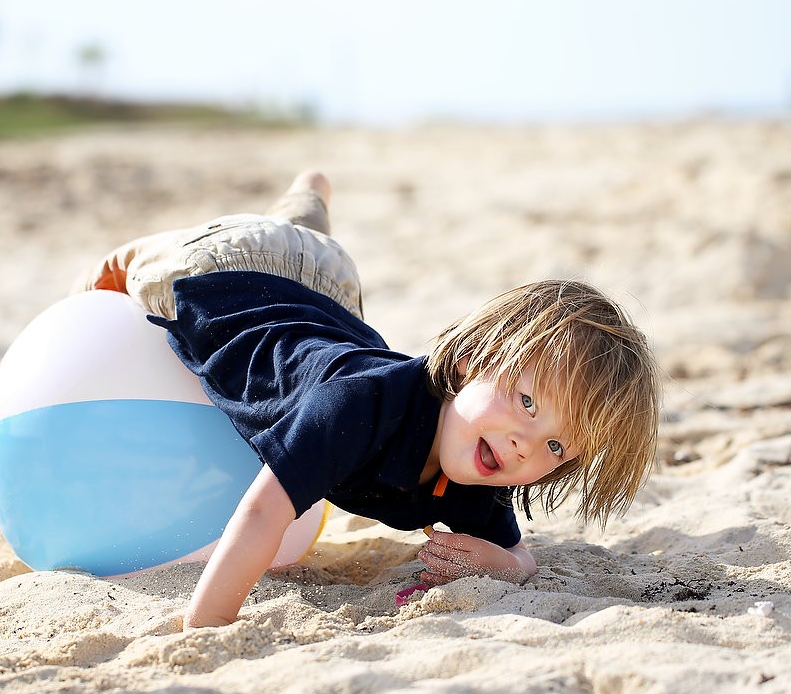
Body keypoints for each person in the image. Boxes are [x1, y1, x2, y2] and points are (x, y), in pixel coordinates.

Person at [74, 171, 661, 628]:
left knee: (298, 230)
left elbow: (521, 557)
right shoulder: (354, 408)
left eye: (553, 444)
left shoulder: (481, 467)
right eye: (528, 404)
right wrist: (206, 626)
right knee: (128, 274)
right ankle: (154, 250)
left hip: (325, 288)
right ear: (470, 363)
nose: (522, 444)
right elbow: (261, 515)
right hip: (223, 272)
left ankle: (309, 196)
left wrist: (495, 562)